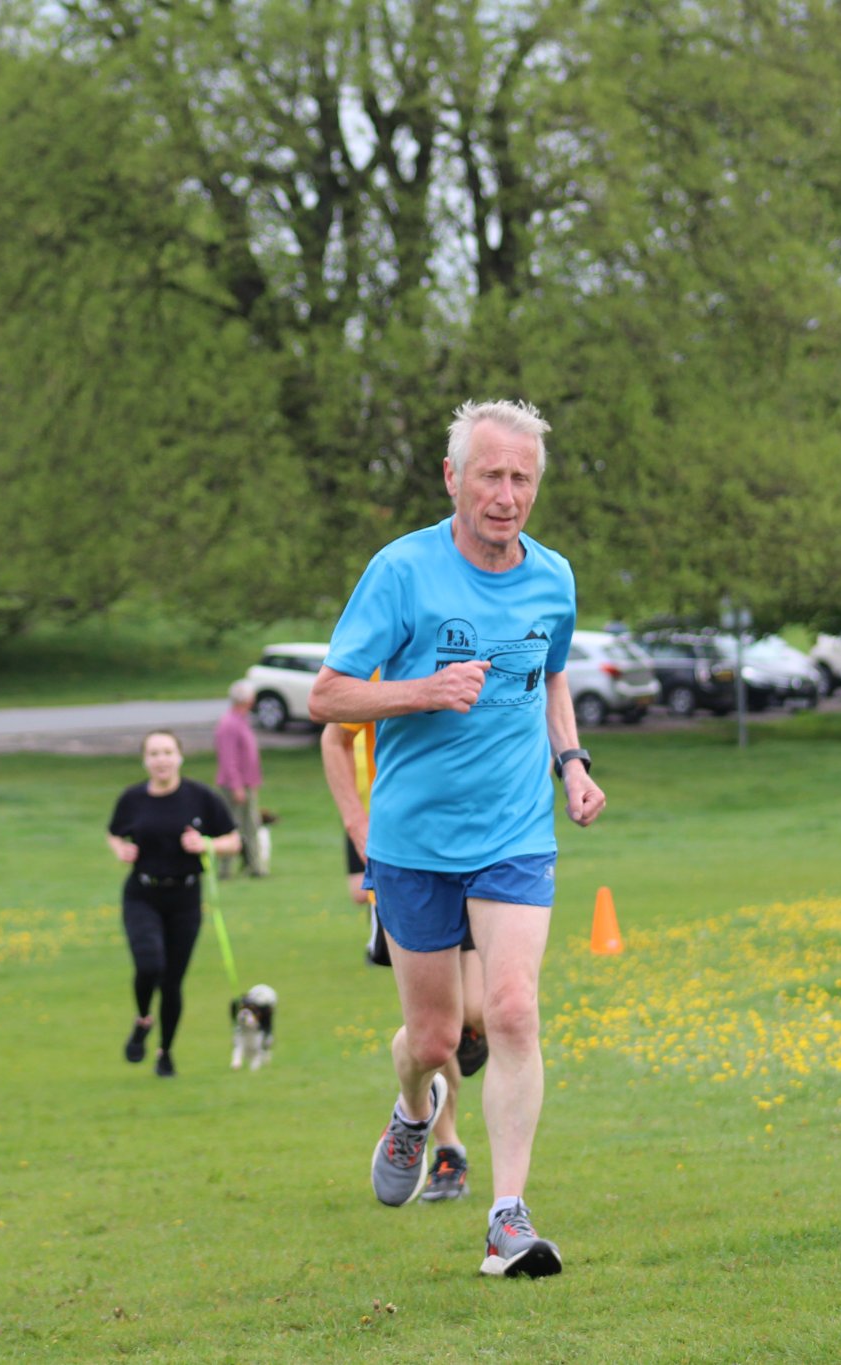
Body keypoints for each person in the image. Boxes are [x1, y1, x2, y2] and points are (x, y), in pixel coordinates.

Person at [309, 398, 606, 1278]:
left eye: (521, 478)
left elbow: (552, 681)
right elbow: (328, 698)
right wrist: (423, 691)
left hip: (515, 832)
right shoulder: (401, 571)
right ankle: (412, 1110)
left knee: (512, 1010)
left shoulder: (553, 578)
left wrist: (574, 763)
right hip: (412, 842)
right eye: (490, 474)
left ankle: (507, 1218)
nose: (506, 494)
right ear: (453, 478)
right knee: (436, 1039)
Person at [322, 718, 487, 1203]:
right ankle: (447, 1149)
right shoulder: (384, 660)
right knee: (440, 1032)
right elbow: (336, 734)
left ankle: (469, 1042)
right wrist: (357, 829)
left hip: (477, 842)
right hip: (405, 853)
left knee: (476, 1013)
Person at [106, 729, 243, 1078]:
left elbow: (234, 841)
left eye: (167, 752)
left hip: (185, 897)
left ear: (179, 757)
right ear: (145, 760)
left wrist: (206, 844)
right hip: (142, 894)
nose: (161, 759)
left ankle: (165, 1052)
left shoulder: (200, 797)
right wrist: (120, 849)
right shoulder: (132, 798)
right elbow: (114, 833)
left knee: (172, 981)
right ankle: (142, 1019)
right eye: (154, 753)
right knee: (150, 964)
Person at [214, 680, 266, 878]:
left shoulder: (242, 720)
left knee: (251, 825)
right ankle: (225, 869)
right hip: (235, 785)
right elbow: (228, 759)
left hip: (247, 783)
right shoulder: (228, 724)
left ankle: (255, 866)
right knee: (231, 826)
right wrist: (236, 786)